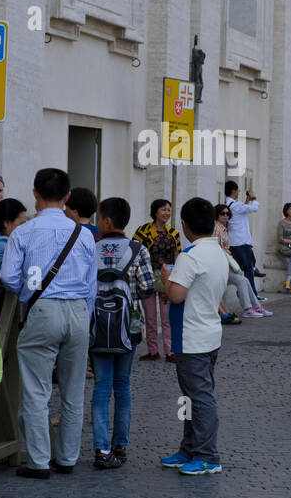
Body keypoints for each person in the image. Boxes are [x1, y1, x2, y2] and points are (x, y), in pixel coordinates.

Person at [0, 168, 97, 478]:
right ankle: (67, 458)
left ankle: (38, 461)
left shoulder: (24, 233)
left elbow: (7, 276)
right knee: (72, 391)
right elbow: (91, 285)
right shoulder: (84, 234)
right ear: (68, 197)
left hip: (42, 311)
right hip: (79, 312)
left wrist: (29, 291)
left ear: (34, 194)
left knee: (36, 391)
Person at [159, 197, 229, 476]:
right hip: (208, 333)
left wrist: (166, 277)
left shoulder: (190, 255)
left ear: (185, 225)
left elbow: (176, 295)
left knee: (199, 398)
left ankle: (207, 455)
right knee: (189, 397)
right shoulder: (219, 252)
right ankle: (188, 448)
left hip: (192, 337)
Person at [89, 197, 154, 469]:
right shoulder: (138, 249)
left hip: (97, 328)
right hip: (128, 328)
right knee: (123, 386)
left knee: (101, 386)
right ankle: (120, 446)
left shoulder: (90, 248)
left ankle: (102, 450)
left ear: (106, 221)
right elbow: (148, 287)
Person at [133, 199, 181, 361]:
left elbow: (177, 257)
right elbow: (134, 252)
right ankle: (153, 350)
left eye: (169, 210)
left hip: (167, 276)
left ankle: (170, 351)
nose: (167, 213)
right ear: (155, 212)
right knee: (150, 317)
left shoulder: (174, 233)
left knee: (167, 318)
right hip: (146, 277)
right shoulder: (142, 231)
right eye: (163, 210)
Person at [215, 204, 271, 318]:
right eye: (222, 213)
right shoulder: (216, 228)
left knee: (244, 280)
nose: (226, 216)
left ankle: (255, 307)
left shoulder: (223, 228)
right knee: (242, 281)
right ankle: (249, 308)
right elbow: (216, 247)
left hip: (225, 265)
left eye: (227, 214)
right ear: (216, 214)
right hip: (219, 267)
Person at [222, 180, 261, 297]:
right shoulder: (236, 205)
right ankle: (251, 294)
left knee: (242, 268)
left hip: (235, 242)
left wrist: (246, 201)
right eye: (238, 190)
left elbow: (240, 212)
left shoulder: (229, 204)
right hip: (241, 242)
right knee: (248, 268)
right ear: (233, 191)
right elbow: (254, 208)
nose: (239, 192)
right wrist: (253, 198)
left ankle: (243, 292)